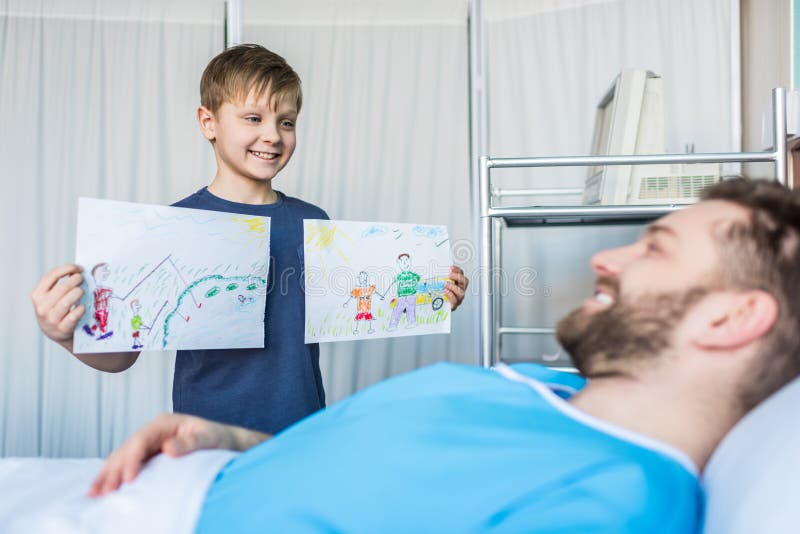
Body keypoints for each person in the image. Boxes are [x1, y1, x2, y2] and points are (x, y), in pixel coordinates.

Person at [87, 178, 800, 532]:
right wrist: (230, 442)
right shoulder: (540, 386)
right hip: (193, 474)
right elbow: (375, 479)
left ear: (734, 316)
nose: (605, 258)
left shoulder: (622, 495)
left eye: (655, 249)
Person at [28, 44, 469, 435]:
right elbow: (123, 355)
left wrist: (429, 296)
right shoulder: (173, 226)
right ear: (209, 122)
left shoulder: (315, 222)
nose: (273, 135)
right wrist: (64, 335)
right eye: (253, 118)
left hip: (302, 435)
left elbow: (361, 304)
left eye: (286, 122)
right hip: (204, 439)